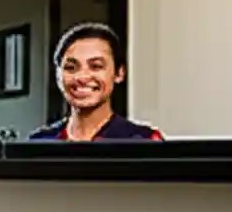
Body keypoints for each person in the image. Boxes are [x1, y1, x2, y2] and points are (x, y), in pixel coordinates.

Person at [29, 22, 164, 141]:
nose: (82, 77)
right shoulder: (39, 143)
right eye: (71, 67)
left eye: (96, 66)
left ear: (119, 73)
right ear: (58, 75)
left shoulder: (143, 142)